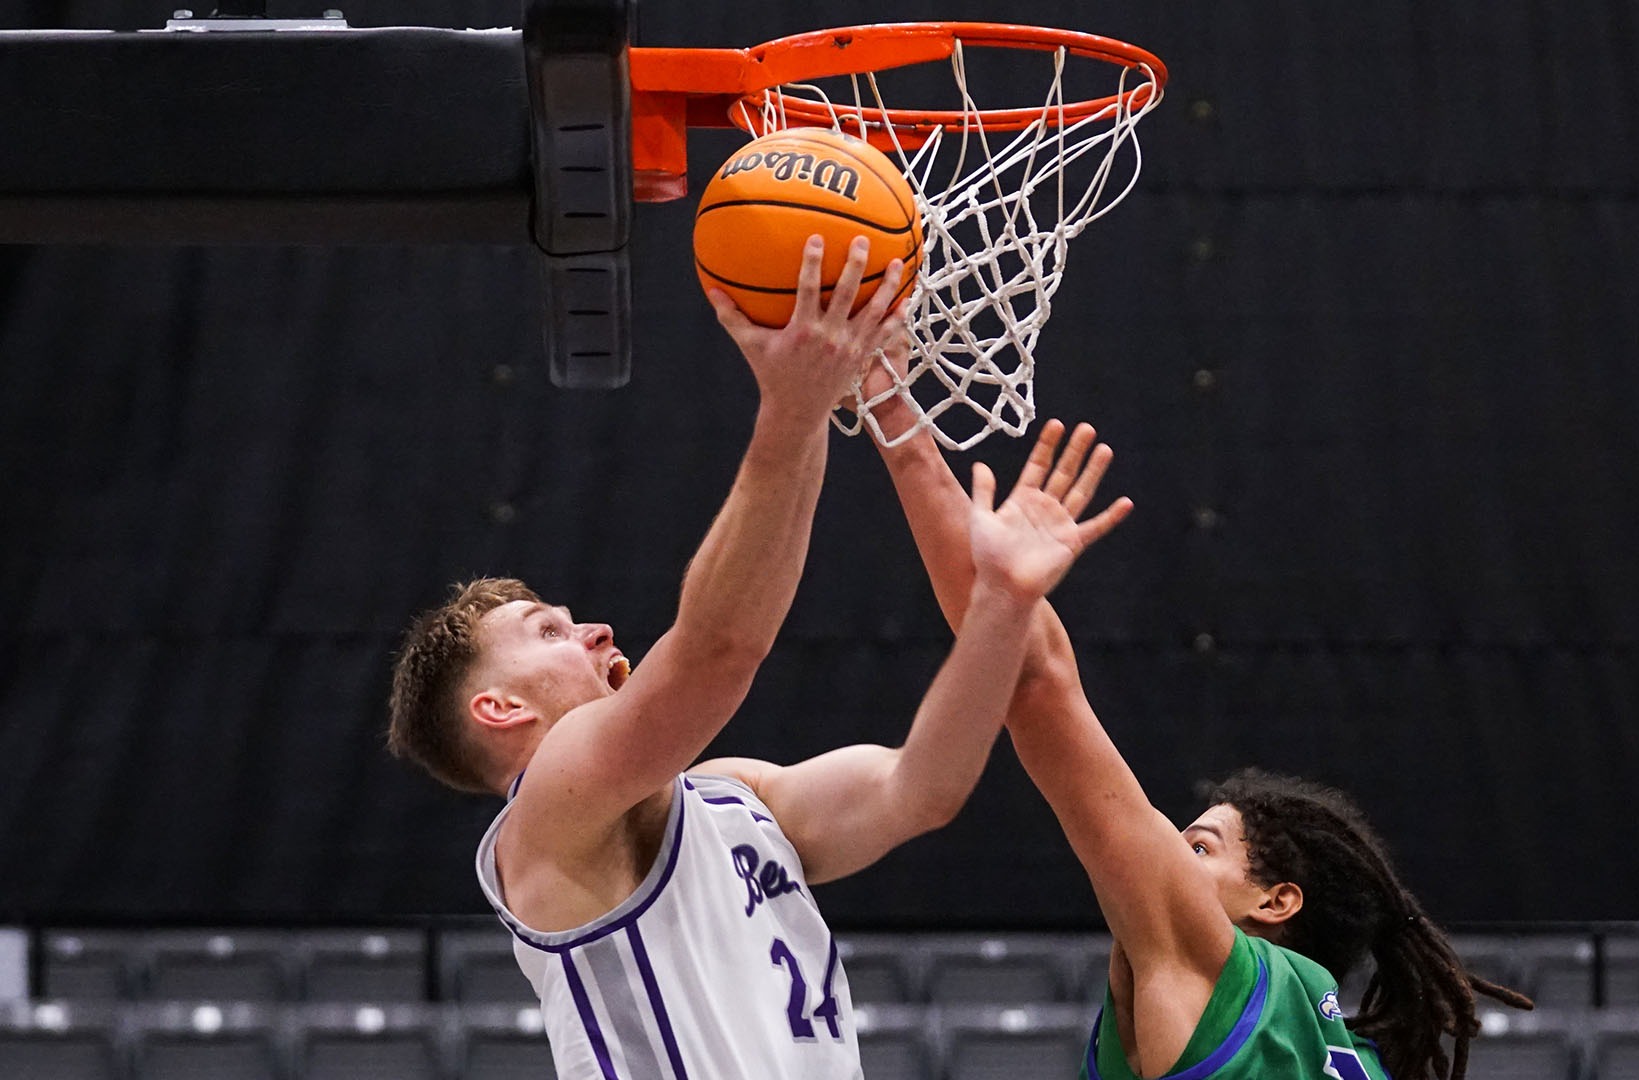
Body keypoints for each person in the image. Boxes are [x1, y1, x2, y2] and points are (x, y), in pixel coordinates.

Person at [385, 238, 1133, 1080]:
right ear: (501, 710)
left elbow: (922, 788)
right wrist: (796, 405)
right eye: (549, 632)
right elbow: (716, 652)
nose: (594, 631)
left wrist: (1001, 604)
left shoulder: (738, 799)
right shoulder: (547, 813)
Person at [863, 390, 1531, 1080]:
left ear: (1275, 902)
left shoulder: (1225, 975)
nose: (1163, 851)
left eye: (1199, 847)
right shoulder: (1356, 1059)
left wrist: (893, 414)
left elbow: (1035, 684)